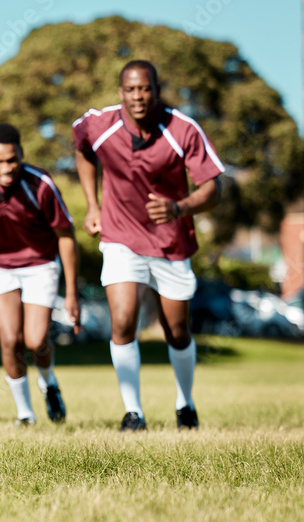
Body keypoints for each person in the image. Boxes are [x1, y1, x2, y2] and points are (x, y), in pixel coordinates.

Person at [73, 60, 224, 431]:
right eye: (130, 89)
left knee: (178, 331)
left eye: (145, 89)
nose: (138, 97)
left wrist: (179, 208)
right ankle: (133, 412)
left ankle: (185, 404)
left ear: (157, 89)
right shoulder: (100, 123)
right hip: (121, 237)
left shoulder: (182, 129)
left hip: (170, 242)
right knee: (123, 321)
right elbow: (82, 149)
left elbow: (213, 189)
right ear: (120, 91)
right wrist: (93, 206)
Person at [0, 123, 80, 426]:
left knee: (36, 342)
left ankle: (48, 382)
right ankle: (25, 414)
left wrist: (72, 293)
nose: (6, 168)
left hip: (39, 266)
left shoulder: (41, 184)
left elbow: (66, 234)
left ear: (21, 154)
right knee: (10, 339)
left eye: (12, 160)